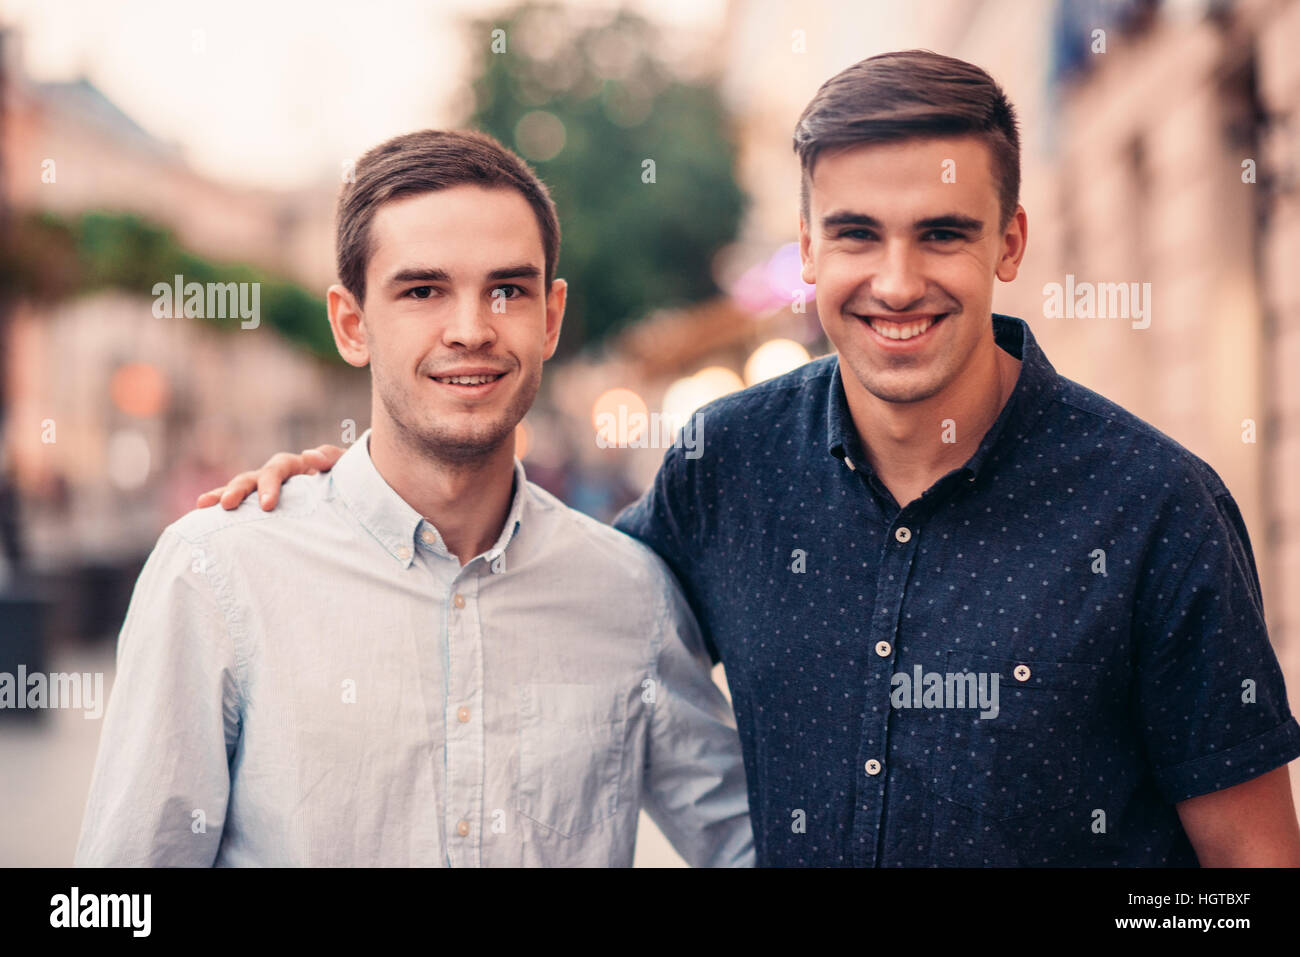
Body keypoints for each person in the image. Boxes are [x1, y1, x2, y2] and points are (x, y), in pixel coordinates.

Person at [198, 51, 1300, 867]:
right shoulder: (726, 463)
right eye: (858, 233)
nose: (899, 278)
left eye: (946, 234)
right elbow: (536, 589)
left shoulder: (1152, 508)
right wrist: (349, 494)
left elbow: (1251, 864)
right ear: (809, 249)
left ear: (1009, 241)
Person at [76, 129, 753, 867]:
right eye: (423, 290)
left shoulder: (629, 595)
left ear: (551, 317)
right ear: (351, 323)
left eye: (508, 290)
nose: (471, 330)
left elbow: (754, 845)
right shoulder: (216, 575)